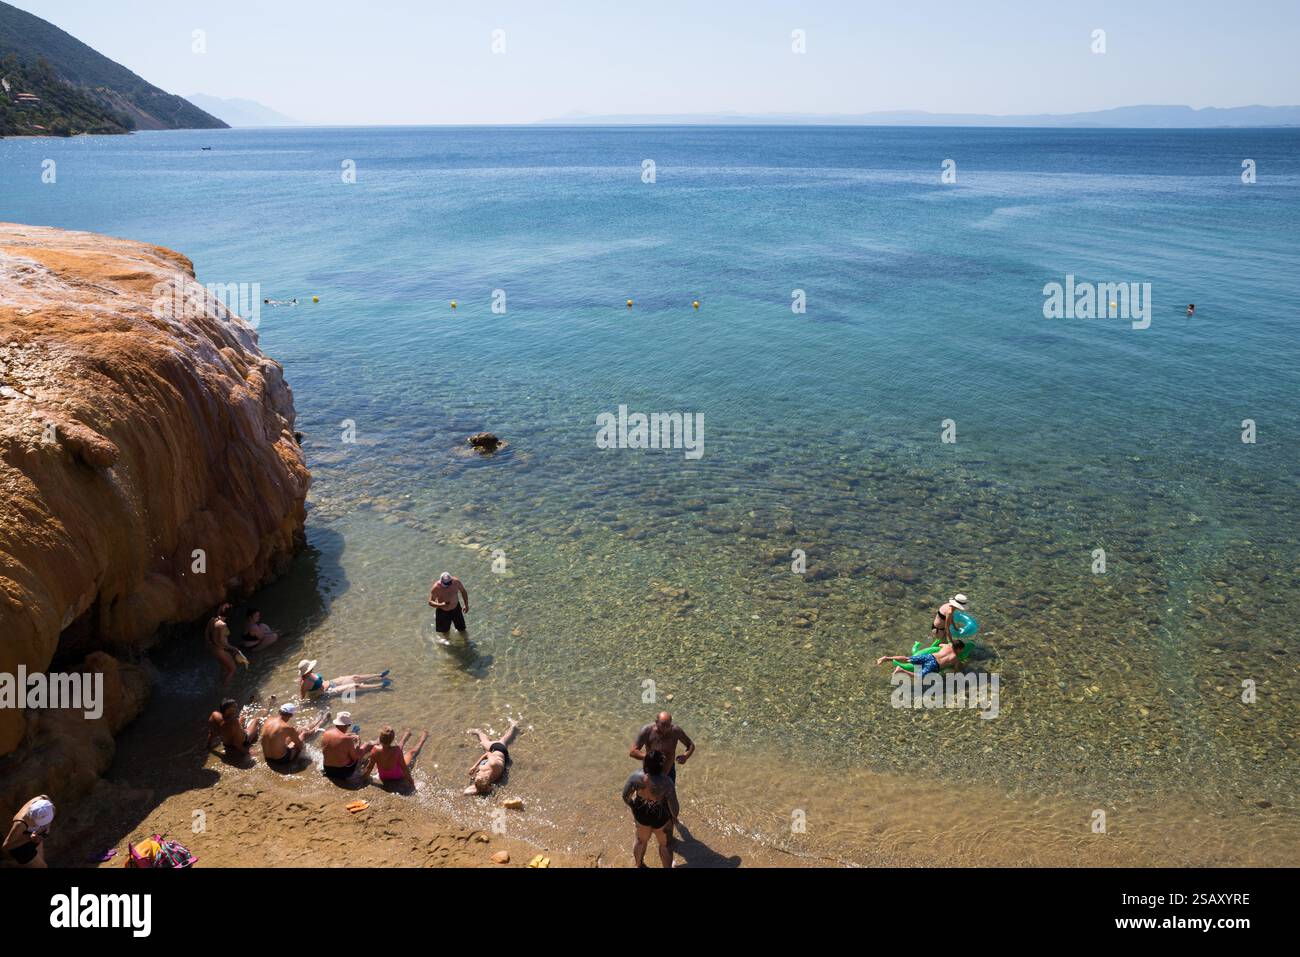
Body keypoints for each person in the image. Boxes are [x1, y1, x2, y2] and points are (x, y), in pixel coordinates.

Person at [629, 711, 694, 836]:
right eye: (663, 725)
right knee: (646, 798)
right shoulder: (647, 731)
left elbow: (690, 745)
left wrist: (685, 756)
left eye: (668, 725)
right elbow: (633, 751)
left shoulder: (675, 731)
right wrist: (651, 758)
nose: (665, 728)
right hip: (650, 770)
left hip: (668, 770)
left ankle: (670, 826)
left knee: (669, 800)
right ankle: (644, 823)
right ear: (656, 722)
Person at [622, 751, 676, 869]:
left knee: (640, 840)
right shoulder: (667, 782)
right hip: (660, 815)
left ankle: (639, 865)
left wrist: (633, 806)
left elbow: (625, 796)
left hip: (641, 812)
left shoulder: (636, 777)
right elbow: (674, 806)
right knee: (665, 845)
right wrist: (674, 819)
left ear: (645, 765)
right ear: (661, 766)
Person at [260, 700, 328, 768]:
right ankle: (320, 723)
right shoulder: (287, 728)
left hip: (267, 758)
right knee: (303, 733)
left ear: (279, 711)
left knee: (297, 731)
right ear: (291, 715)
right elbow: (299, 745)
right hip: (281, 760)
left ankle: (317, 721)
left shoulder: (268, 720)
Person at [463, 720, 520, 795]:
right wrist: (474, 767)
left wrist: (475, 766)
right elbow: (488, 754)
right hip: (499, 749)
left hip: (495, 752)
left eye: (477, 775)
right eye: (478, 775)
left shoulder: (485, 781)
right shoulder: (493, 766)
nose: (477, 775)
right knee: (501, 741)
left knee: (484, 743)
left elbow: (466, 791)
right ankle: (513, 725)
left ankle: (479, 732)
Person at [321, 712, 374, 782]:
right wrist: (358, 743)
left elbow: (338, 737)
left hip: (328, 770)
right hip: (343, 773)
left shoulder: (326, 733)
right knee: (366, 746)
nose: (348, 727)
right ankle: (378, 743)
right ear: (345, 725)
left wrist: (351, 735)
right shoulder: (346, 739)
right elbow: (355, 757)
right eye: (348, 725)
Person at [298, 659, 390, 700]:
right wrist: (317, 695)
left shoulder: (310, 673)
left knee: (355, 677)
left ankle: (379, 675)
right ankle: (380, 686)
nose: (312, 668)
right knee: (355, 686)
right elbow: (303, 698)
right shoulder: (305, 683)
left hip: (331, 682)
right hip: (328, 692)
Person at [3, 796, 55, 868]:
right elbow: (6, 846)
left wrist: (47, 826)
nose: (41, 825)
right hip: (21, 848)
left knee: (41, 862)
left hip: (34, 837)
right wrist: (29, 838)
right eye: (41, 823)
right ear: (32, 817)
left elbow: (52, 808)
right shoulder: (20, 824)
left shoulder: (43, 800)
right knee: (43, 866)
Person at [877, 640, 965, 677]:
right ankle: (901, 670)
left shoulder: (946, 646)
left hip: (929, 656)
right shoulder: (955, 657)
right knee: (919, 676)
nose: (962, 651)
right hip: (934, 665)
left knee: (907, 659)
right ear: (958, 649)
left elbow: (940, 644)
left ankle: (886, 658)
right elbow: (955, 669)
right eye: (962, 650)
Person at [205, 603, 243, 685]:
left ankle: (220, 682)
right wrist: (233, 648)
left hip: (214, 648)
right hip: (220, 650)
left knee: (224, 668)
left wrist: (210, 643)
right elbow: (222, 641)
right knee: (232, 669)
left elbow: (206, 633)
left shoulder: (212, 620)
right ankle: (224, 688)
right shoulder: (222, 625)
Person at [428, 571, 470, 643]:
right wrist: (441, 605)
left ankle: (466, 643)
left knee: (462, 629)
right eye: (445, 584)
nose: (447, 585)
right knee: (445, 632)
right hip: (443, 611)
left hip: (456, 608)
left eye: (449, 583)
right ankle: (448, 644)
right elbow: (430, 602)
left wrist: (466, 605)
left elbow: (463, 591)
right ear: (441, 581)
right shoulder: (436, 588)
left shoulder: (456, 582)